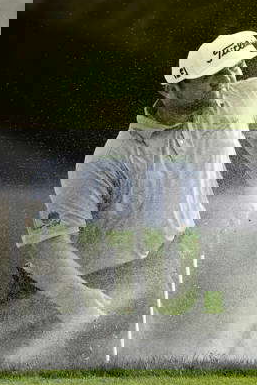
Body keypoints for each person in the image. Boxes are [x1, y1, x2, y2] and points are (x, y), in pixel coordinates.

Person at [18, 31, 257, 319]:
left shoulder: (230, 105)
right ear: (173, 87)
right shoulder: (114, 159)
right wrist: (71, 294)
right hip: (56, 286)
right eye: (210, 78)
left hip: (148, 266)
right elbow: (47, 236)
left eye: (227, 75)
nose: (222, 85)